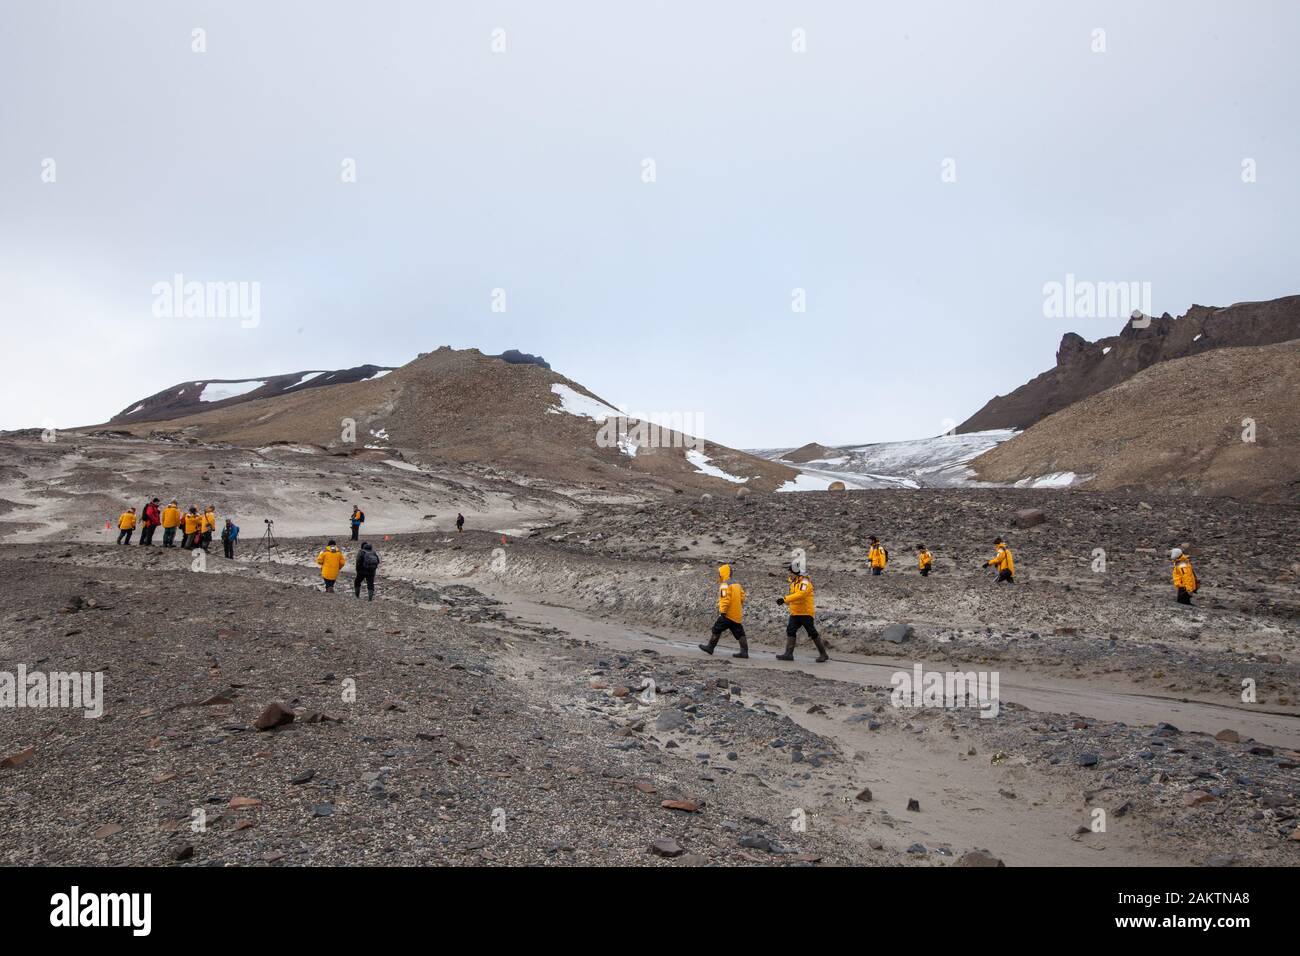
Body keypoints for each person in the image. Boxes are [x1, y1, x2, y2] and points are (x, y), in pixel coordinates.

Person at [776, 562, 828, 662]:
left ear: (796, 573)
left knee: (812, 633)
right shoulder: (793, 583)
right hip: (795, 612)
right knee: (790, 630)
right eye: (789, 572)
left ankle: (823, 654)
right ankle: (788, 654)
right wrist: (786, 602)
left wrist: (784, 599)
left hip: (805, 613)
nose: (789, 574)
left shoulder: (805, 583)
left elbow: (801, 595)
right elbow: (794, 596)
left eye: (790, 572)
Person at [698, 564, 748, 658]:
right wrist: (737, 606)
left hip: (727, 614)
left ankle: (710, 647)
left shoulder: (724, 585)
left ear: (723, 573)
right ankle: (744, 652)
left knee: (716, 628)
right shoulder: (737, 584)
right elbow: (742, 597)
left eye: (719, 573)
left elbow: (724, 599)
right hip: (736, 613)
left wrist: (723, 611)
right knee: (739, 633)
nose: (719, 575)